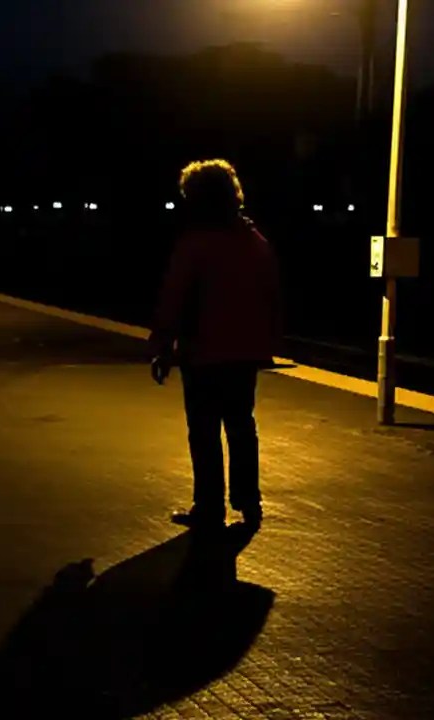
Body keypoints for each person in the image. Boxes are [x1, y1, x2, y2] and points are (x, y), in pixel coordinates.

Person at [149, 159, 281, 530]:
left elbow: (174, 298)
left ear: (198, 199)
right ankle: (249, 501)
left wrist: (162, 346)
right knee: (242, 426)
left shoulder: (195, 245)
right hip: (245, 352)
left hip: (203, 352)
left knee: (204, 431)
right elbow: (272, 296)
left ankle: (209, 506)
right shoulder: (256, 242)